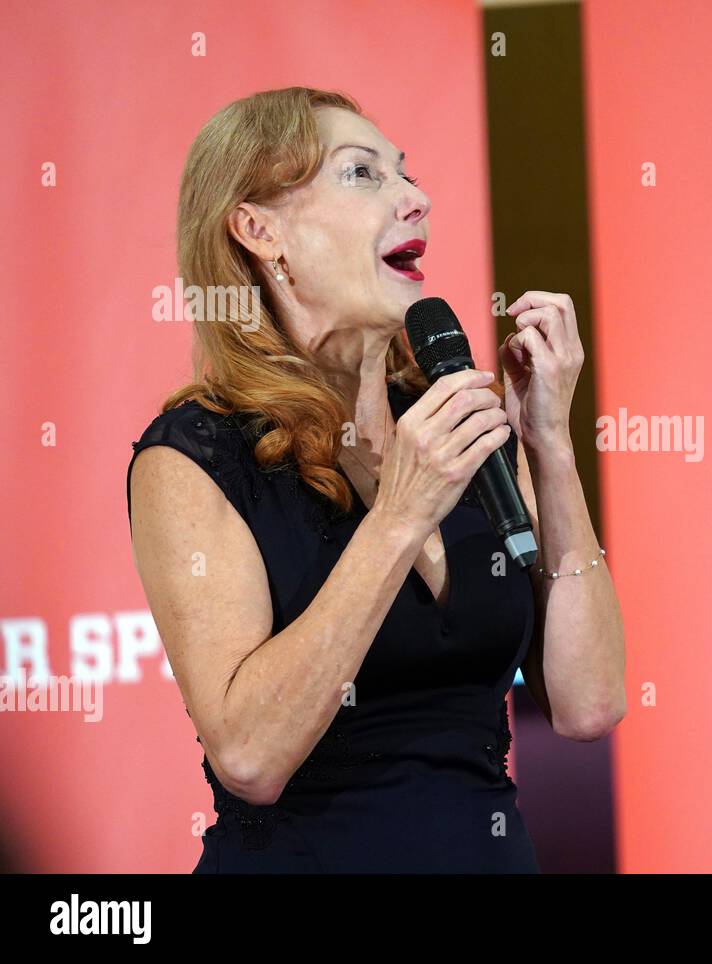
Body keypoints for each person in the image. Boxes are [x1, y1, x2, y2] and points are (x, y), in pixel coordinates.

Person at [126, 86, 625, 872]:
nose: (416, 199)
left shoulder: (444, 416)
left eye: (407, 174)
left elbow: (589, 702)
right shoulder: (194, 455)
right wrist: (397, 517)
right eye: (363, 175)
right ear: (260, 231)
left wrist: (548, 446)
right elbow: (251, 756)